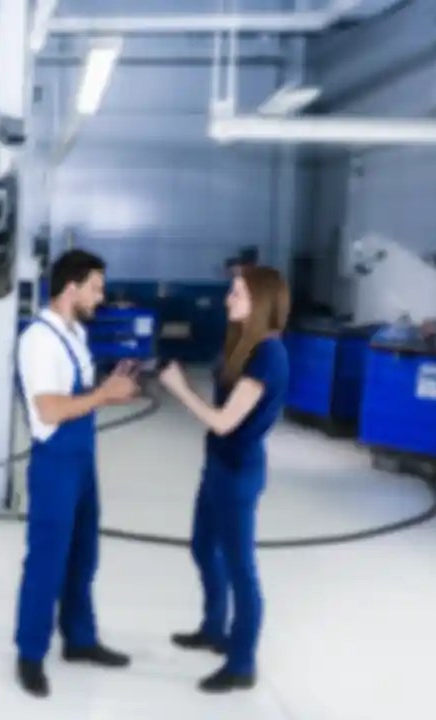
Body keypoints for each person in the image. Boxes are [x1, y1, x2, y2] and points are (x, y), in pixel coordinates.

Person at [14, 249, 141, 698]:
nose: (101, 296)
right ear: (72, 287)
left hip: (82, 460)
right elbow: (48, 407)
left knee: (83, 555)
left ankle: (80, 640)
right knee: (47, 560)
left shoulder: (74, 333)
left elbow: (80, 394)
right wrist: (104, 396)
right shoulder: (38, 340)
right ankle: (30, 655)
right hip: (55, 464)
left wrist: (109, 387)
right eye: (96, 287)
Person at [157, 265, 291, 694]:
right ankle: (214, 629)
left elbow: (223, 421)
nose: (228, 299)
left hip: (236, 474)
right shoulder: (243, 347)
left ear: (262, 303)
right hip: (218, 467)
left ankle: (242, 662)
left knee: (240, 570)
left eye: (237, 294)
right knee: (202, 547)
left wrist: (179, 387)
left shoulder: (269, 355)